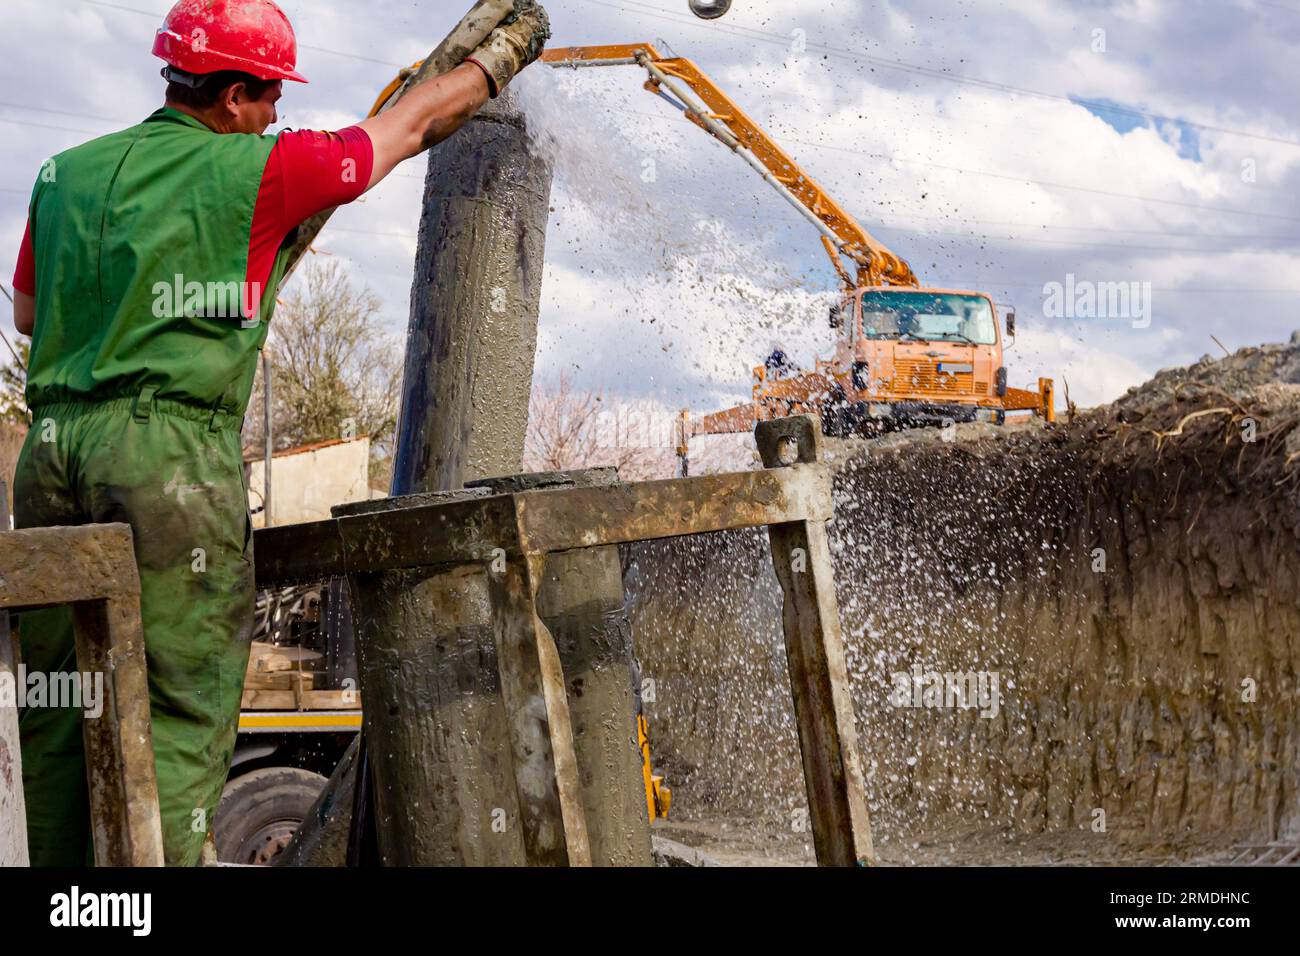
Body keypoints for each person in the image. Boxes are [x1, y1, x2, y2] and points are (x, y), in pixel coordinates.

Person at [8, 0, 550, 866]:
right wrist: (505, 54)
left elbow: (30, 313)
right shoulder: (265, 170)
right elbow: (411, 124)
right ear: (230, 97)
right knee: (178, 708)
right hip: (167, 462)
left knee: (64, 701)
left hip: (49, 459)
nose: (275, 115)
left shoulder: (61, 173)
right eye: (267, 99)